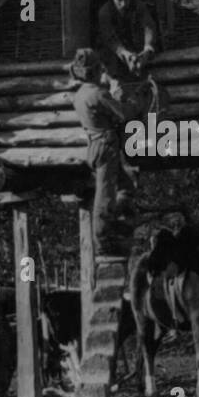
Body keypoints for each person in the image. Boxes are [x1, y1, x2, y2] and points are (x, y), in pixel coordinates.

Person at [71, 47, 136, 256]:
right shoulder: (99, 93)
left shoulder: (80, 95)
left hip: (94, 145)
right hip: (106, 146)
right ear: (97, 70)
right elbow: (122, 114)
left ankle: (117, 228)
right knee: (105, 196)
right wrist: (117, 91)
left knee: (122, 186)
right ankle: (103, 243)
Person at [97, 0, 159, 115]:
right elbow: (110, 38)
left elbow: (149, 26)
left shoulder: (139, 6)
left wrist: (147, 47)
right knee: (116, 82)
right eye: (120, 0)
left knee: (143, 79)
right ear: (113, 0)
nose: (124, 4)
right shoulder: (105, 12)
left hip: (135, 48)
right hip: (113, 52)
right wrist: (123, 53)